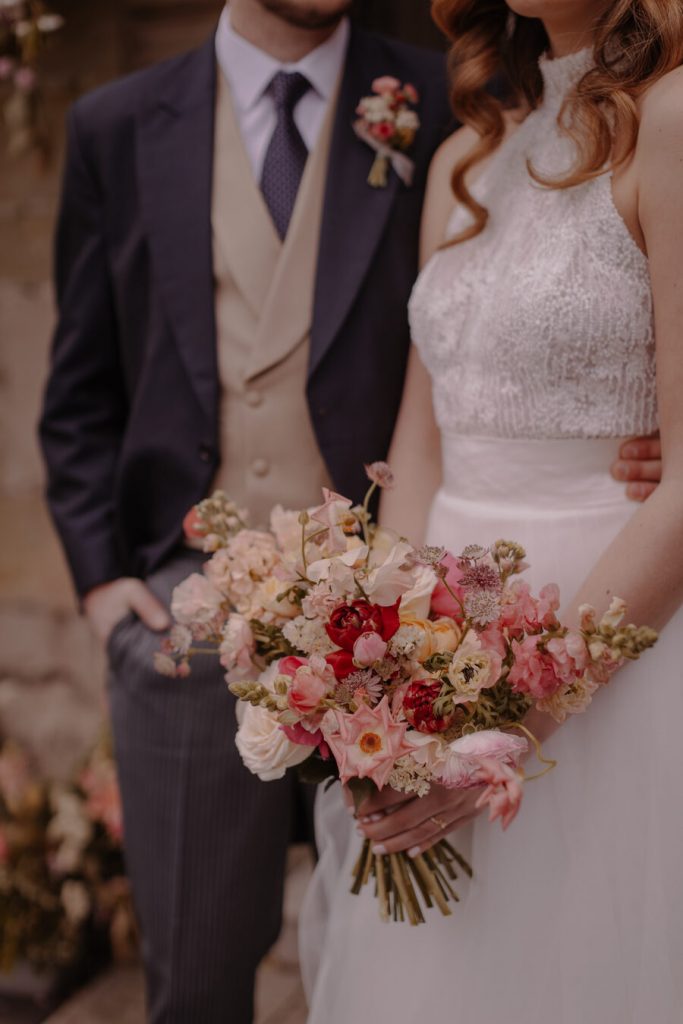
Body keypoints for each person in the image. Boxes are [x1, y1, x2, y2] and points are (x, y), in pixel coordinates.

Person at [38, 2, 454, 1021]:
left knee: (409, 975)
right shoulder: (117, 124)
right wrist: (101, 587)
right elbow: (79, 393)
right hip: (187, 626)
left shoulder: (443, 99)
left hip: (395, 623)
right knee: (197, 986)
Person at [302, 2, 683, 1022]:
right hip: (445, 646)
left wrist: (507, 730)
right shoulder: (466, 158)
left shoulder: (673, 120)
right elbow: (421, 448)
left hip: (615, 651)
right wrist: (381, 671)